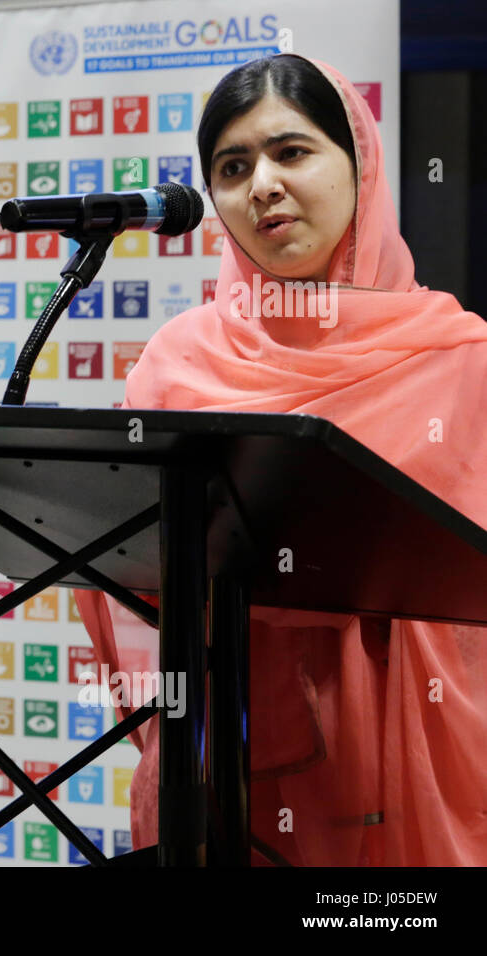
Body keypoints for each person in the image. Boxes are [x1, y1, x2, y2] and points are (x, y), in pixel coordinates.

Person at [73, 54, 487, 866]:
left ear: (359, 165)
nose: (261, 184)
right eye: (233, 167)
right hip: (224, 766)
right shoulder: (175, 363)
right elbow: (119, 566)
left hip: (406, 779)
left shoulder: (462, 362)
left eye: (291, 152)